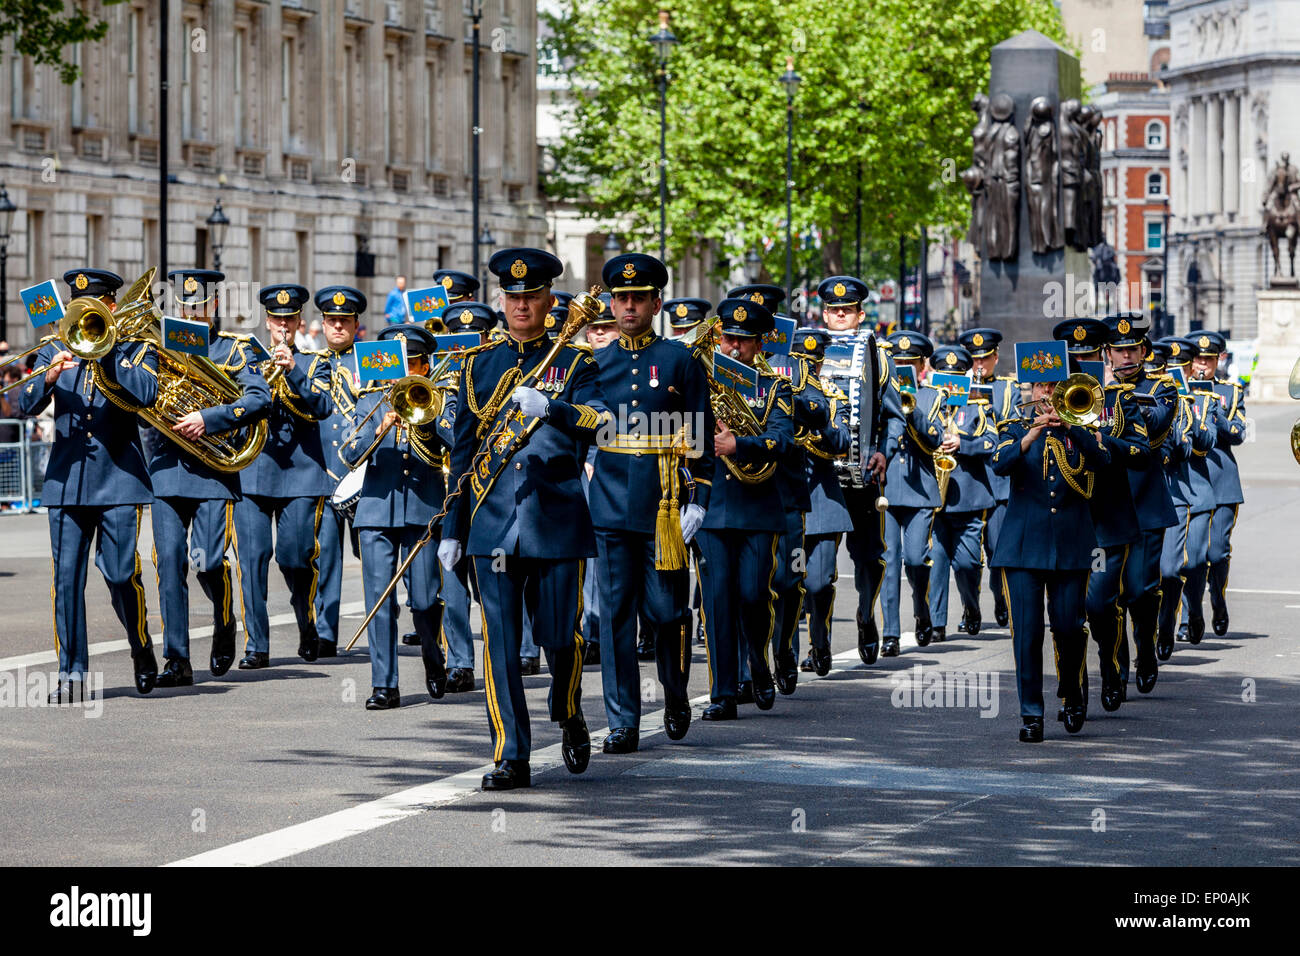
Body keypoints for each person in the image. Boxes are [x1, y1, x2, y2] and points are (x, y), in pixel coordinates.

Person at [438, 248, 610, 791]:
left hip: (555, 519)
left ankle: (569, 708)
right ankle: (511, 753)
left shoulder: (577, 363)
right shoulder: (476, 364)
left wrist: (552, 409)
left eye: (531, 297)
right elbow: (462, 455)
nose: (521, 306)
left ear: (548, 301)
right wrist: (452, 530)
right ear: (502, 300)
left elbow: (602, 425)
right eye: (512, 298)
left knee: (561, 639)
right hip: (491, 525)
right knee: (500, 642)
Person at [588, 253, 713, 751]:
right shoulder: (596, 363)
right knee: (615, 616)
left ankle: (676, 693)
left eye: (638, 298)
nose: (629, 307)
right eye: (621, 299)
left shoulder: (680, 360)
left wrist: (699, 498)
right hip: (611, 506)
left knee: (667, 614)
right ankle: (623, 720)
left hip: (664, 507)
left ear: (656, 303)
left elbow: (699, 432)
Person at [18, 268, 160, 699]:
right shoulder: (55, 348)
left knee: (119, 574)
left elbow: (147, 393)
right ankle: (72, 672)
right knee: (66, 580)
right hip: (66, 481)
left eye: (97, 305)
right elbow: (23, 403)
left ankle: (141, 646)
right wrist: (47, 378)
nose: (89, 314)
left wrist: (109, 351)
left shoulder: (137, 348)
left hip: (118, 478)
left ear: (111, 306)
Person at [151, 269, 272, 688]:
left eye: (199, 305)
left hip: (213, 473)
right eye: (184, 305)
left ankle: (224, 619)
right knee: (168, 564)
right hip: (166, 471)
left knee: (207, 561)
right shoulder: (159, 349)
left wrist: (208, 418)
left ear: (214, 306)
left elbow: (259, 398)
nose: (192, 312)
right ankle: (177, 659)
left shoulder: (234, 350)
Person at [992, 370, 1110, 742]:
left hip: (1072, 545)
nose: (1048, 393)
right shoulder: (1014, 426)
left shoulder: (1084, 423)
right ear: (1030, 389)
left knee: (1069, 628)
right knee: (1026, 634)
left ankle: (1073, 694)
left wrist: (1072, 425)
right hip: (1023, 546)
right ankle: (1031, 715)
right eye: (1042, 386)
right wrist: (1030, 435)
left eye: (1055, 387)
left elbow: (1101, 461)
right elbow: (999, 463)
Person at [341, 324, 453, 708]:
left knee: (424, 600)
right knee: (378, 600)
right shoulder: (371, 398)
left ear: (426, 365)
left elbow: (453, 443)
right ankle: (384, 685)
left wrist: (429, 417)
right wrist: (379, 430)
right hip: (375, 512)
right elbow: (349, 454)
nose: (407, 372)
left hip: (421, 509)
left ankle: (432, 657)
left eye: (415, 364)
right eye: (400, 364)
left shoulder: (440, 399)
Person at [693, 298, 793, 720]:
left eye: (743, 341)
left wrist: (741, 444)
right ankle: (723, 692)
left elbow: (782, 440)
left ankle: (758, 660)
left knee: (753, 594)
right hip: (712, 505)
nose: (733, 348)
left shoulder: (775, 388)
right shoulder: (702, 380)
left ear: (758, 345)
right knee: (716, 600)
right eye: (728, 338)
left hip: (757, 506)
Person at [233, 285, 334, 668]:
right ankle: (256, 644)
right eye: (276, 320)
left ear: (299, 322)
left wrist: (293, 371)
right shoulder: (246, 360)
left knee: (296, 557)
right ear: (268, 322)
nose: (282, 327)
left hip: (301, 476)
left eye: (289, 320)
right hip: (254, 472)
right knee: (252, 560)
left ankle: (307, 622)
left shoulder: (315, 362)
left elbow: (322, 405)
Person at [1049, 319, 1147, 715]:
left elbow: (1141, 450)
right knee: (1064, 618)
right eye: (1075, 357)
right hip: (1064, 522)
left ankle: (1110, 665)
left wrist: (1108, 440)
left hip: (1105, 520)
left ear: (1101, 356)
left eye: (1089, 356)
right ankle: (1072, 690)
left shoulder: (1119, 399)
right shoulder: (1047, 396)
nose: (1081, 363)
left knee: (1099, 605)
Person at [808, 276, 888, 664]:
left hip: (862, 474)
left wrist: (883, 452)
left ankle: (865, 617)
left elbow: (892, 414)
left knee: (869, 557)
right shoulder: (805, 352)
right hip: (822, 476)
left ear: (859, 313)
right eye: (833, 310)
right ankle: (818, 635)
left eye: (848, 310)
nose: (840, 315)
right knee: (817, 574)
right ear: (824, 313)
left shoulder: (877, 353)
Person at [1104, 313, 1178, 692]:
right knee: (1108, 593)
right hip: (1105, 508)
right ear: (1108, 355)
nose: (1127, 357)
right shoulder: (1090, 390)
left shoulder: (1162, 388)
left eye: (1133, 349)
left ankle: (1145, 646)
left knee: (1140, 589)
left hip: (1145, 504)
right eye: (1120, 351)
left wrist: (1112, 399)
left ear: (1145, 351)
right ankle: (1115, 666)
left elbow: (1150, 427)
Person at [434, 301, 499, 693]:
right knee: (453, 584)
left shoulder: (495, 378)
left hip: (487, 491)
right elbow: (446, 433)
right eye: (457, 344)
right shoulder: (441, 384)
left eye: (471, 342)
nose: (463, 353)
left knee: (497, 580)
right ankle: (460, 662)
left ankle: (514, 649)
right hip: (447, 494)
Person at [788, 329, 852, 675]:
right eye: (800, 363)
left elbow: (841, 440)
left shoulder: (832, 395)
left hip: (822, 502)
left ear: (821, 363)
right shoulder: (777, 390)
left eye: (812, 364)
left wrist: (817, 417)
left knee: (818, 581)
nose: (807, 370)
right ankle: (786, 656)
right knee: (788, 583)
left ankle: (821, 641)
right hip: (785, 496)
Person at [924, 345, 997, 643]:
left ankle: (971, 607)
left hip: (968, 497)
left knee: (967, 563)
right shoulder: (927, 405)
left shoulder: (978, 406)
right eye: (945, 376)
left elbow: (993, 441)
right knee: (937, 561)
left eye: (956, 376)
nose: (951, 383)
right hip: (934, 497)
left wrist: (963, 444)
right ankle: (937, 623)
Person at [880, 331, 945, 652]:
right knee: (889, 561)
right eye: (898, 363)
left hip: (920, 490)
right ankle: (890, 633)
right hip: (888, 488)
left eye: (910, 363)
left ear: (921, 366)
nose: (904, 367)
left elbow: (935, 439)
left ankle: (921, 609)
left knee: (917, 558)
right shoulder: (881, 393)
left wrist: (913, 408)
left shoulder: (933, 397)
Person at [313, 285, 367, 657]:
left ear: (355, 324)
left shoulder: (371, 361)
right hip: (325, 475)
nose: (337, 327)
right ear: (322, 323)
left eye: (344, 321)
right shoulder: (310, 362)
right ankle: (325, 633)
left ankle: (383, 622)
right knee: (325, 559)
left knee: (373, 558)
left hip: (364, 474)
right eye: (332, 321)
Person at [957, 327, 1017, 627]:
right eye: (974, 360)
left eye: (984, 359)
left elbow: (1009, 427)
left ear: (995, 357)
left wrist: (987, 407)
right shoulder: (957, 386)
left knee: (996, 549)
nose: (979, 365)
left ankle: (1000, 596)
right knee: (966, 557)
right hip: (968, 480)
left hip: (998, 482)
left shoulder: (1008, 389)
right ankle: (970, 607)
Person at [1189, 331, 1246, 638]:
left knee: (1217, 553)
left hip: (1221, 479)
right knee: (1191, 555)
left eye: (1208, 360)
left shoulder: (1231, 391)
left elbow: (1238, 433)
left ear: (1218, 360)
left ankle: (1217, 598)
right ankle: (1189, 614)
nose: (1202, 365)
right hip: (1191, 479)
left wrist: (1218, 415)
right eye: (1198, 359)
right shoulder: (1178, 389)